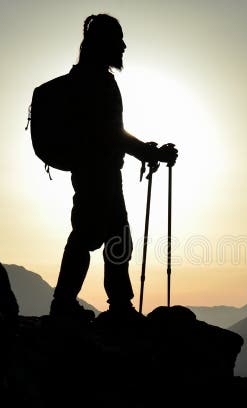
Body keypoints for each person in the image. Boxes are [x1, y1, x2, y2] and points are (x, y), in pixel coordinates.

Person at [50, 14, 177, 320]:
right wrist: (148, 152)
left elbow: (111, 133)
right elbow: (109, 133)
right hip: (96, 172)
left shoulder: (89, 79)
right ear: (102, 43)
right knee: (90, 235)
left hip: (101, 171)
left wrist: (146, 151)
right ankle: (76, 304)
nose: (123, 46)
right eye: (117, 40)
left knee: (111, 235)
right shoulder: (96, 83)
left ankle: (108, 303)